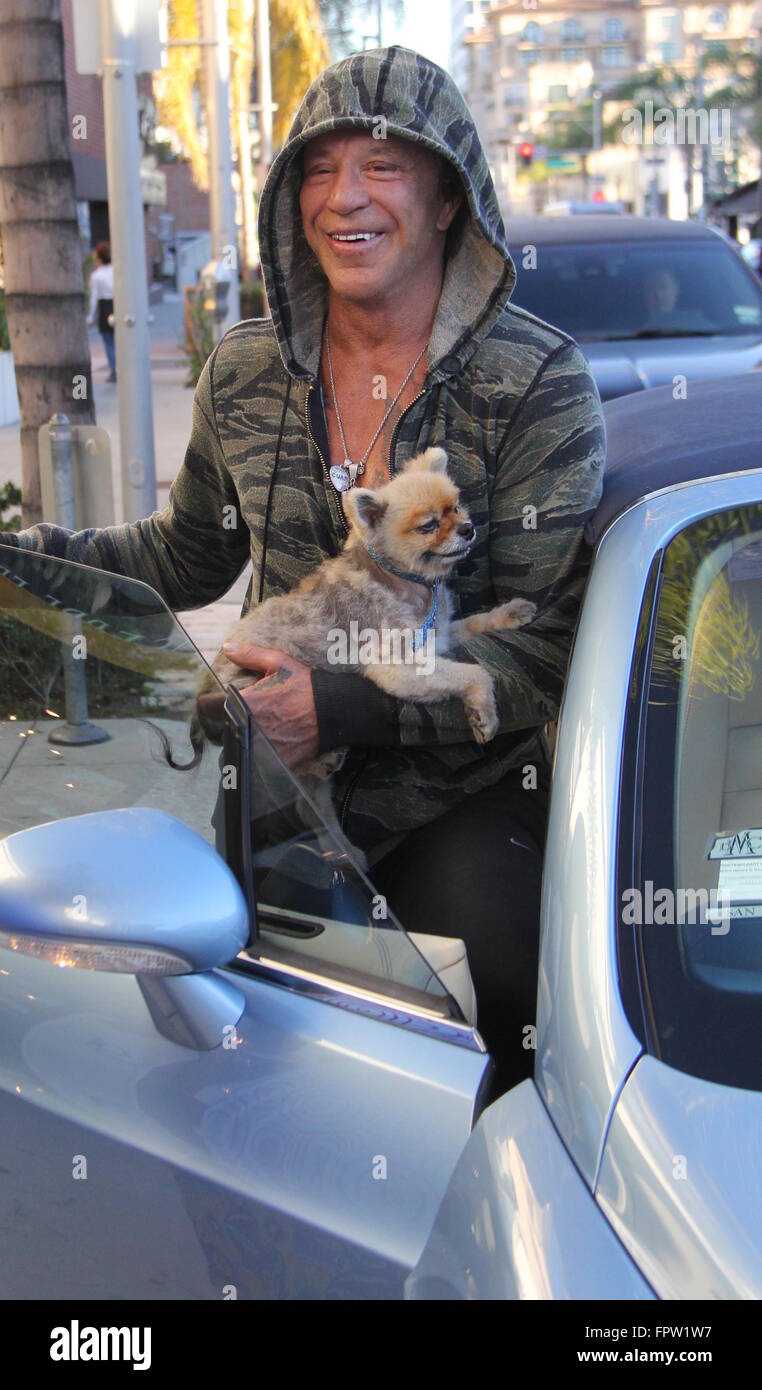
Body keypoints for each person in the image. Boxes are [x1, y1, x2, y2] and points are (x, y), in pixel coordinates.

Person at [6, 46, 606, 1089]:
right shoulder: (245, 369)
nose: (345, 197)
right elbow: (182, 554)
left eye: (382, 165)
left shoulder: (536, 383)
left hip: (456, 801)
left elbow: (548, 646)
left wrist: (340, 706)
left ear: (449, 196)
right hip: (272, 795)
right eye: (319, 169)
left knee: (502, 1032)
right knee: (210, 1061)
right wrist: (32, 565)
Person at [88, 240, 116, 381]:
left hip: (105, 307)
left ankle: (114, 371)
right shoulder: (116, 271)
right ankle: (121, 370)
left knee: (109, 342)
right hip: (118, 306)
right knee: (119, 342)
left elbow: (94, 297)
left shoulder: (97, 275)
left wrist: (91, 316)